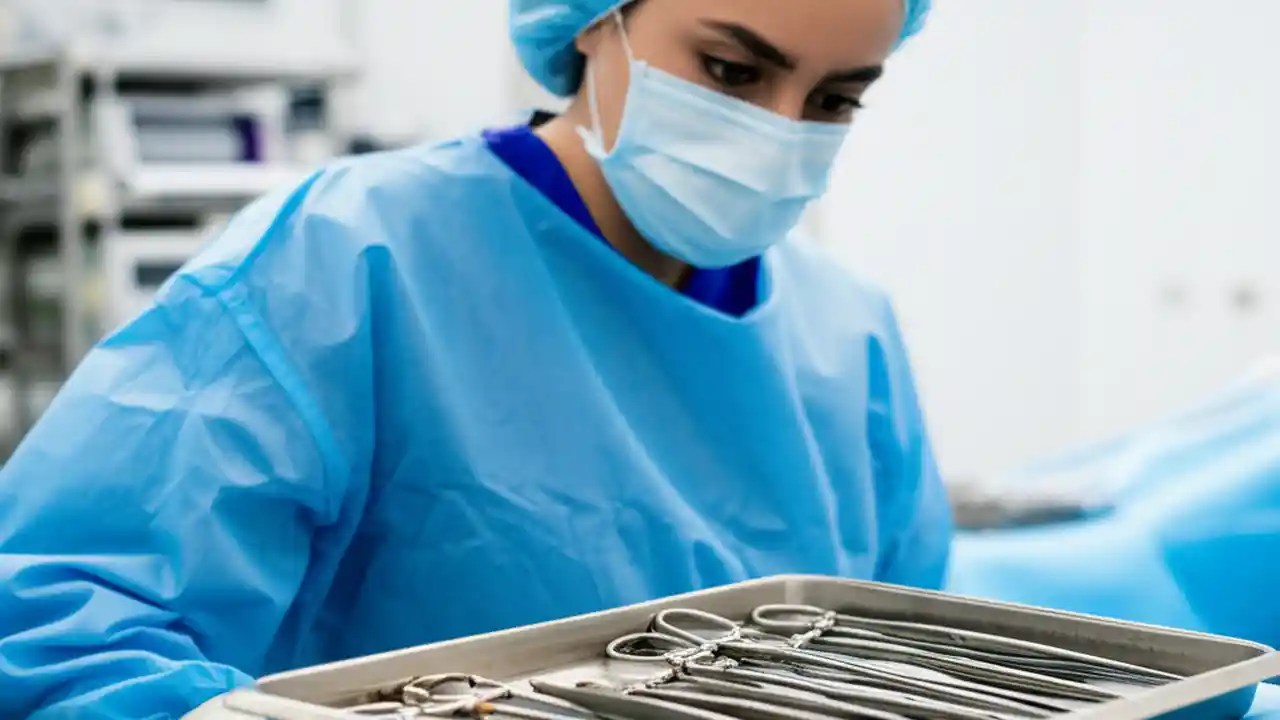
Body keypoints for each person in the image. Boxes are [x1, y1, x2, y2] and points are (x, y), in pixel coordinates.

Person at [0, 0, 949, 716]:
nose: (780, 130)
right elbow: (57, 624)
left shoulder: (847, 338)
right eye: (733, 70)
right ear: (597, 27)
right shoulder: (344, 259)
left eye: (832, 99)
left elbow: (909, 665)